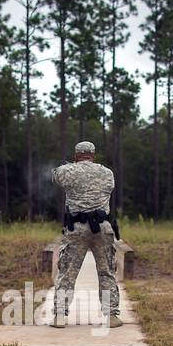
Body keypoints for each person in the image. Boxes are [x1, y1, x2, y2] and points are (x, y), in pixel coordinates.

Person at [50, 141, 120, 328]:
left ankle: (59, 316)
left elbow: (55, 175)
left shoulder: (68, 171)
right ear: (93, 155)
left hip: (77, 227)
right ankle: (111, 315)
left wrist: (68, 165)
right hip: (102, 227)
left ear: (76, 155)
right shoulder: (107, 173)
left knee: (67, 273)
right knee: (106, 272)